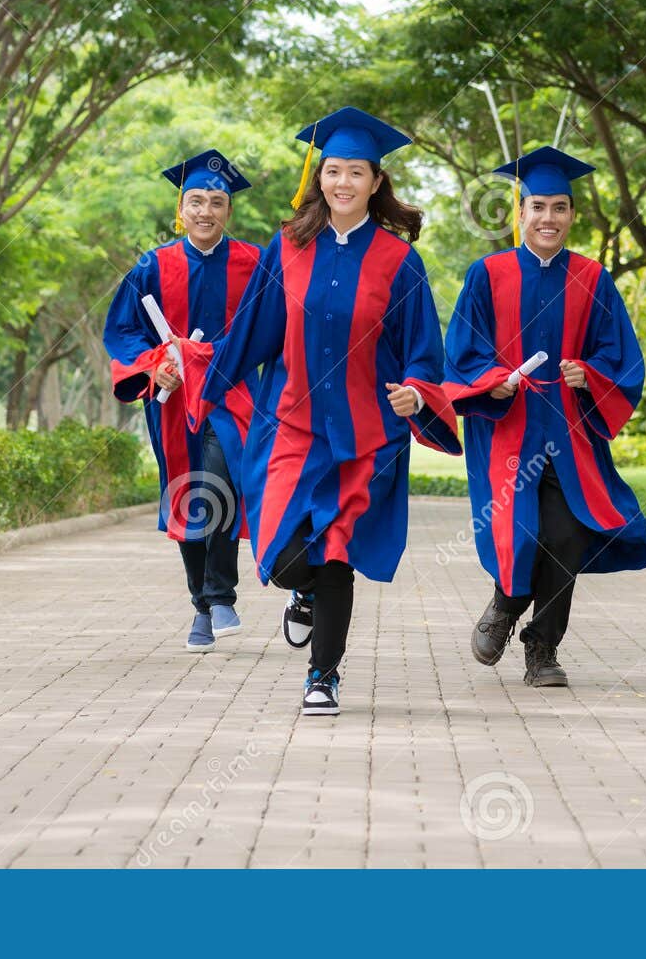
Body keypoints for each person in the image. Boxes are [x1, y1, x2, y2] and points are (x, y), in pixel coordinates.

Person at [175, 107, 460, 716]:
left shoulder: (399, 263)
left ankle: (321, 677)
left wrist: (415, 391)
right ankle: (301, 595)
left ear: (376, 183)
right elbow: (254, 330)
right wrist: (206, 373)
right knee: (279, 555)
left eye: (356, 173)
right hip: (292, 429)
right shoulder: (289, 251)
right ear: (320, 177)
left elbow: (422, 351)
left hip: (366, 436)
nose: (343, 183)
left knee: (336, 553)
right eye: (333, 171)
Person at [443, 145, 646, 687]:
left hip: (568, 434)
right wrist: (495, 382)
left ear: (572, 215)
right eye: (537, 207)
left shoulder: (593, 277)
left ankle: (542, 648)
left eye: (559, 207)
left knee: (565, 537)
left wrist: (592, 375)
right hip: (509, 431)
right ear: (519, 213)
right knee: (518, 529)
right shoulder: (486, 275)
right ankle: (506, 603)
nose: (548, 218)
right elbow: (463, 355)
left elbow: (620, 356)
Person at [104, 149, 263, 653]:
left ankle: (220, 595)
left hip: (231, 394)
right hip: (173, 398)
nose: (206, 211)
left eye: (217, 202)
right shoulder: (154, 265)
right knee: (188, 496)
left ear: (228, 211)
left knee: (222, 479)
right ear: (181, 206)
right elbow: (122, 331)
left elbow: (276, 324)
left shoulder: (254, 264)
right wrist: (156, 364)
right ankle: (202, 606)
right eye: (196, 200)